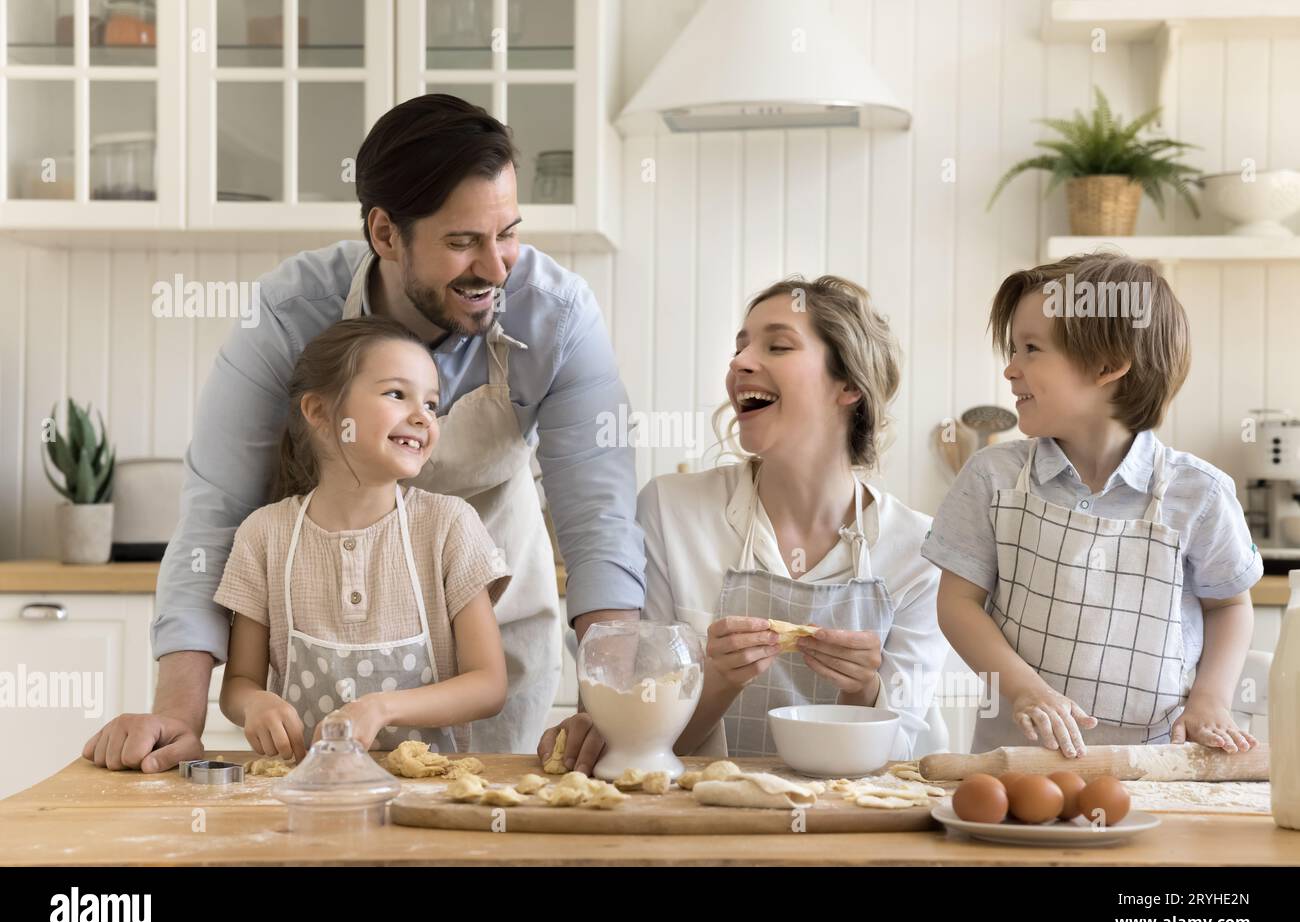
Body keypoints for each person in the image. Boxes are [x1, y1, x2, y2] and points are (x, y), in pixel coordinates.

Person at [83, 94, 644, 772]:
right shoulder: (292, 315)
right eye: (463, 241)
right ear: (384, 234)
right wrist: (178, 710)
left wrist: (614, 699)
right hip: (320, 650)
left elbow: (599, 523)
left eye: (508, 233)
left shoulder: (557, 317)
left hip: (488, 640)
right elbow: (216, 517)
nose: (497, 269)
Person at [540, 276, 950, 772]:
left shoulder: (921, 549)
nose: (738, 363)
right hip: (699, 826)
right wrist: (718, 678)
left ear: (849, 386)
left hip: (846, 828)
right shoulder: (671, 511)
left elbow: (899, 757)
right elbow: (638, 742)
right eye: (740, 347)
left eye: (777, 345)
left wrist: (865, 692)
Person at [923, 253, 1262, 755]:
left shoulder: (1199, 493)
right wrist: (1025, 689)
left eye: (1031, 349)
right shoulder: (993, 477)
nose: (1010, 369)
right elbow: (957, 603)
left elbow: (1229, 605)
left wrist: (1210, 698)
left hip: (1156, 760)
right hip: (1018, 758)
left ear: (1107, 365)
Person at [215, 317, 509, 758]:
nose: (421, 416)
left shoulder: (450, 526)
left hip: (424, 794)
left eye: (431, 404)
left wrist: (380, 709)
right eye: (396, 394)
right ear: (319, 412)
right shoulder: (265, 534)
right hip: (305, 791)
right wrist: (256, 703)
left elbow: (489, 685)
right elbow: (239, 684)